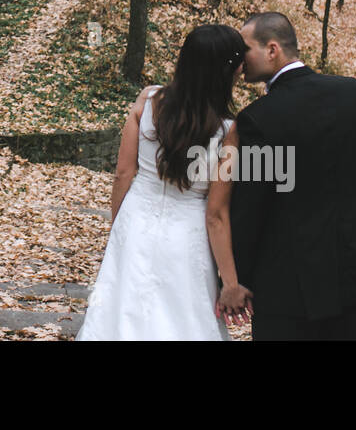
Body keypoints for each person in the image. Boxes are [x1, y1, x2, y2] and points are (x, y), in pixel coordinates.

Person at [223, 11, 356, 340]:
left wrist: (237, 279)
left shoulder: (258, 119)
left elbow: (249, 210)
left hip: (287, 283)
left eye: (243, 49)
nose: (238, 59)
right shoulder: (353, 94)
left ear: (272, 50)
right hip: (351, 271)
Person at [76, 24, 253, 340]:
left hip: (135, 222)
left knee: (121, 316)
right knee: (181, 320)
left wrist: (120, 229)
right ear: (227, 71)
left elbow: (124, 174)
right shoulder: (227, 129)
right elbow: (216, 215)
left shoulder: (148, 99)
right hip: (188, 236)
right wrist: (230, 282)